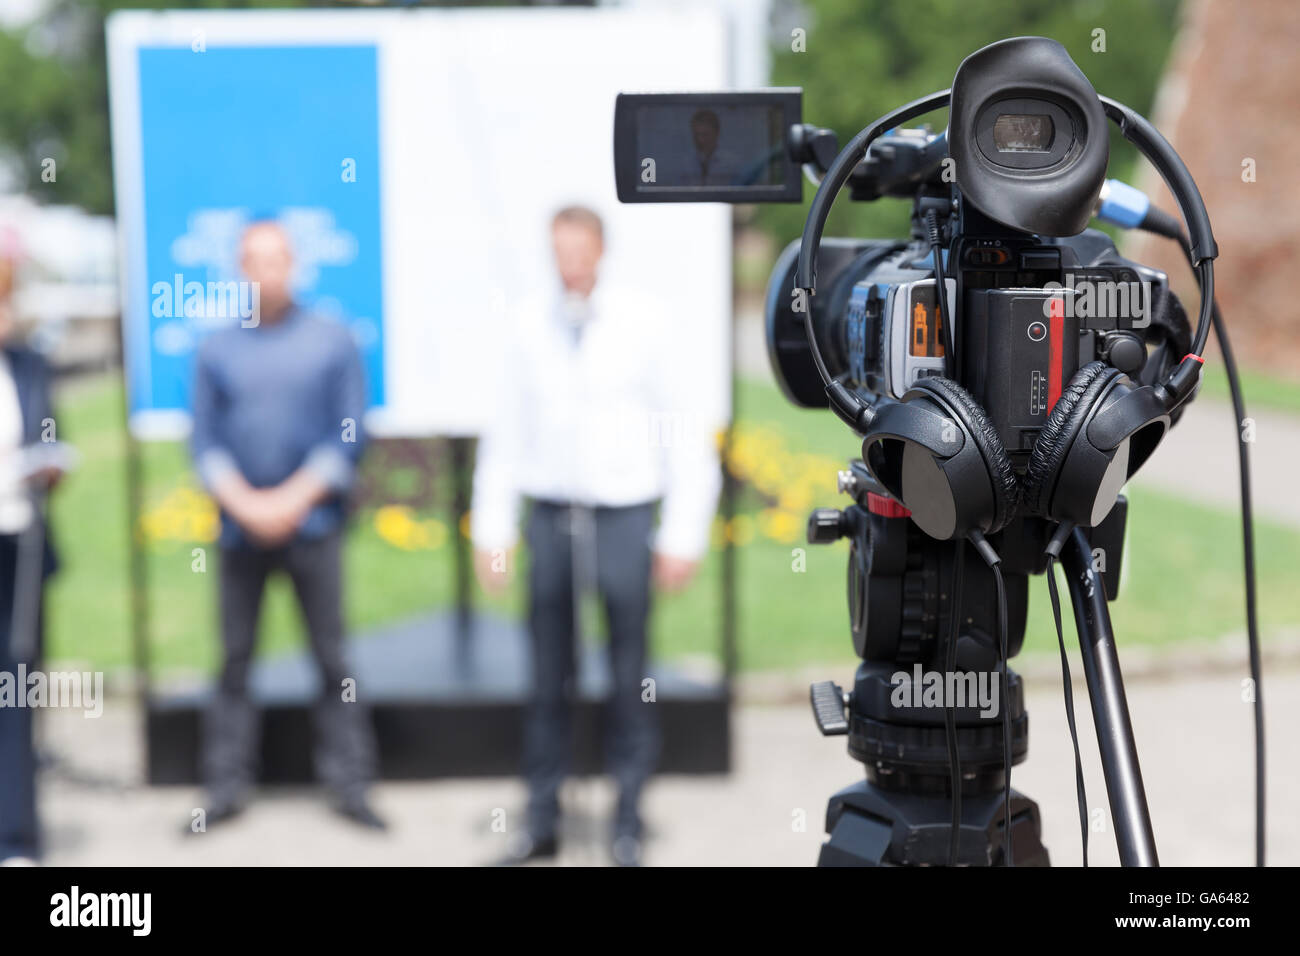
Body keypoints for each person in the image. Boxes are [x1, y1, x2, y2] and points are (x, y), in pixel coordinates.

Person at [472, 205, 721, 866]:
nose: (570, 265)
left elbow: (683, 428)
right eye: (560, 252)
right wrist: (493, 528)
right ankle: (542, 819)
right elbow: (506, 433)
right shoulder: (529, 322)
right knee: (546, 674)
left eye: (580, 251)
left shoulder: (644, 321)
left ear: (601, 251)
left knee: (629, 671)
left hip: (622, 512)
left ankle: (628, 817)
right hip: (552, 512)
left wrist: (682, 533)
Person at [189, 220, 382, 831]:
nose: (267, 271)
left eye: (277, 259)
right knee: (234, 660)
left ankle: (351, 786)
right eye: (255, 260)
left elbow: (349, 433)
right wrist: (246, 503)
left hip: (315, 524)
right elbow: (204, 441)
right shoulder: (216, 349)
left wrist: (294, 498)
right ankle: (225, 786)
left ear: (294, 264)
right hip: (238, 529)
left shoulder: (332, 340)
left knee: (332, 658)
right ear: (239, 268)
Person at [0, 233, 64, 866]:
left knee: (15, 693)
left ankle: (16, 837)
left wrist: (47, 467)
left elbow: (50, 434)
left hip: (17, 548)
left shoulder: (28, 365)